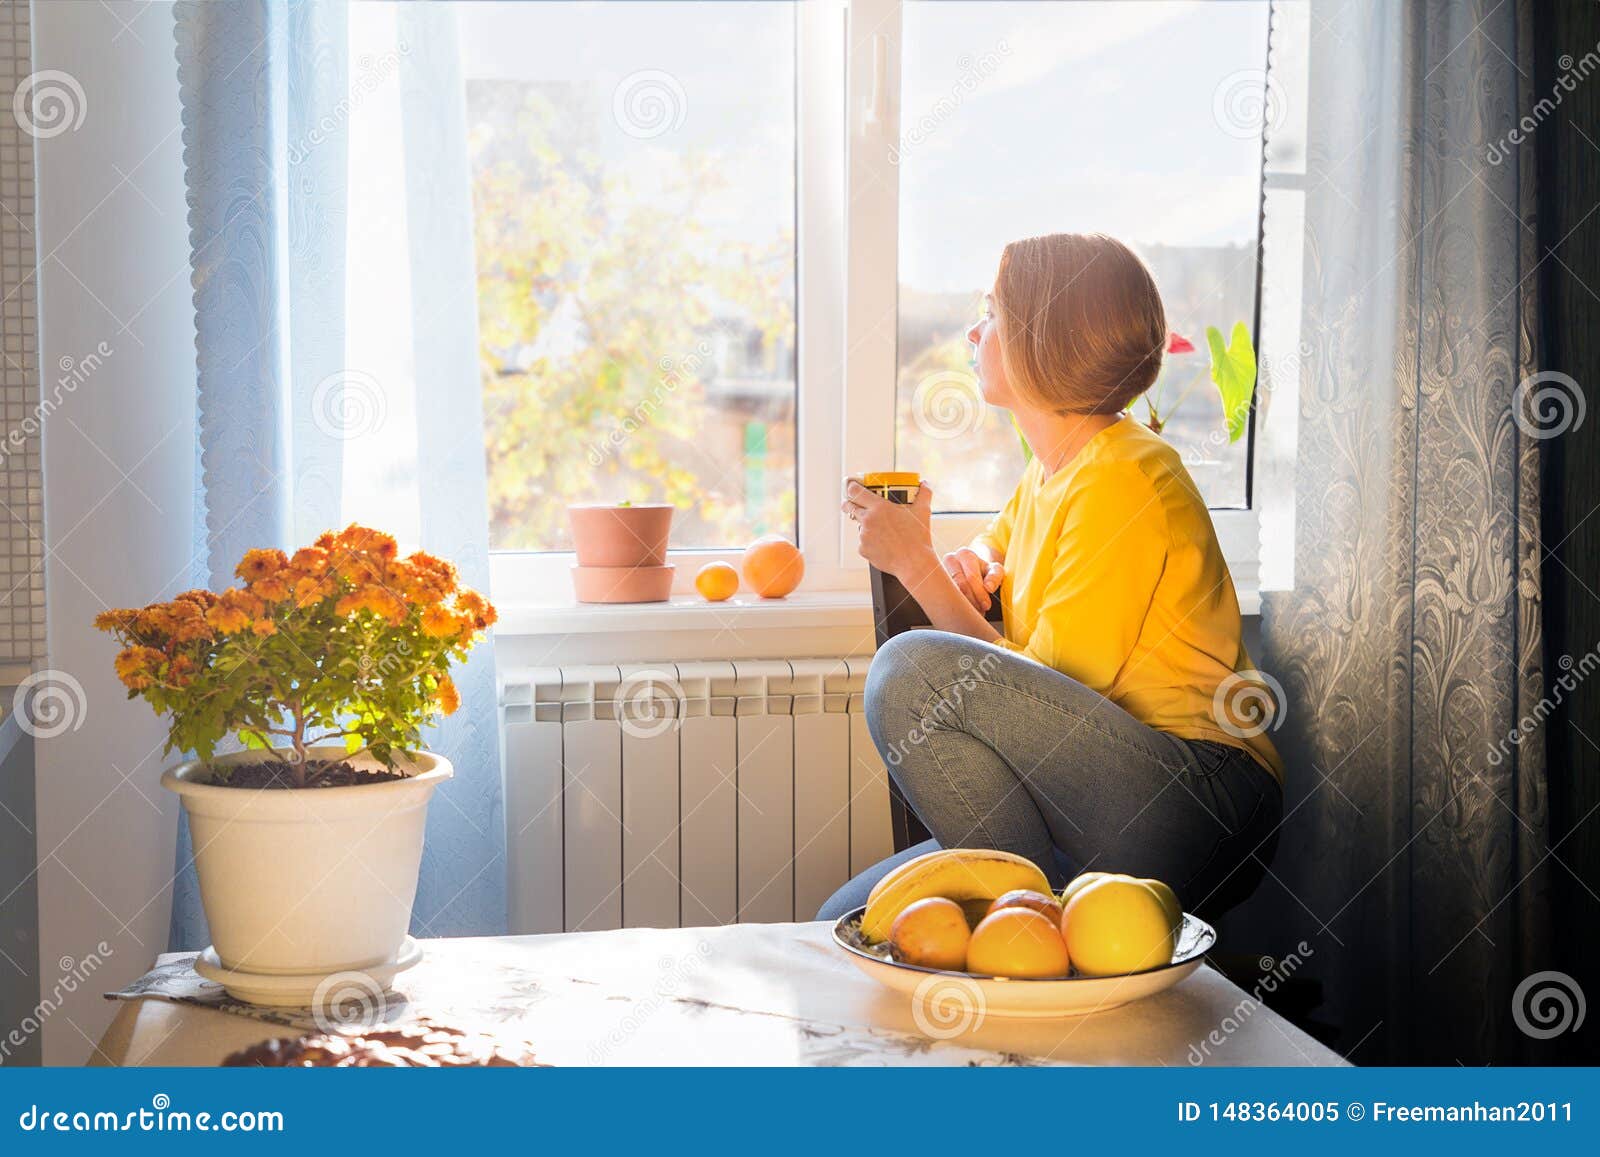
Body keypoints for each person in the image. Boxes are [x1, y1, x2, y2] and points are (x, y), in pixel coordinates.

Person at [820, 233, 1283, 922]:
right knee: (846, 918)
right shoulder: (1052, 472)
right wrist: (968, 561)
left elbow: (1059, 691)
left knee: (908, 674)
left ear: (1046, 339)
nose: (974, 331)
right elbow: (999, 541)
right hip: (1101, 790)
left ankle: (1034, 933)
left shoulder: (1125, 477)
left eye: (993, 315)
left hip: (1199, 797)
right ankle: (1038, 922)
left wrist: (916, 563)